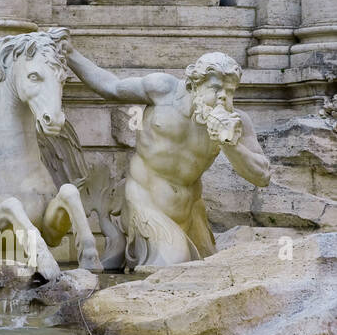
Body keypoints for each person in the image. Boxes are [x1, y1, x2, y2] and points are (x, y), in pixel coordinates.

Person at [62, 41, 269, 268]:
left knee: (208, 274)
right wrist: (71, 54)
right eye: (216, 88)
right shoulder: (163, 90)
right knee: (173, 267)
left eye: (230, 91)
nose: (223, 98)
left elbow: (262, 175)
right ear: (194, 85)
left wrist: (229, 143)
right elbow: (111, 87)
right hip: (145, 201)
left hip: (191, 212)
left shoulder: (237, 122)